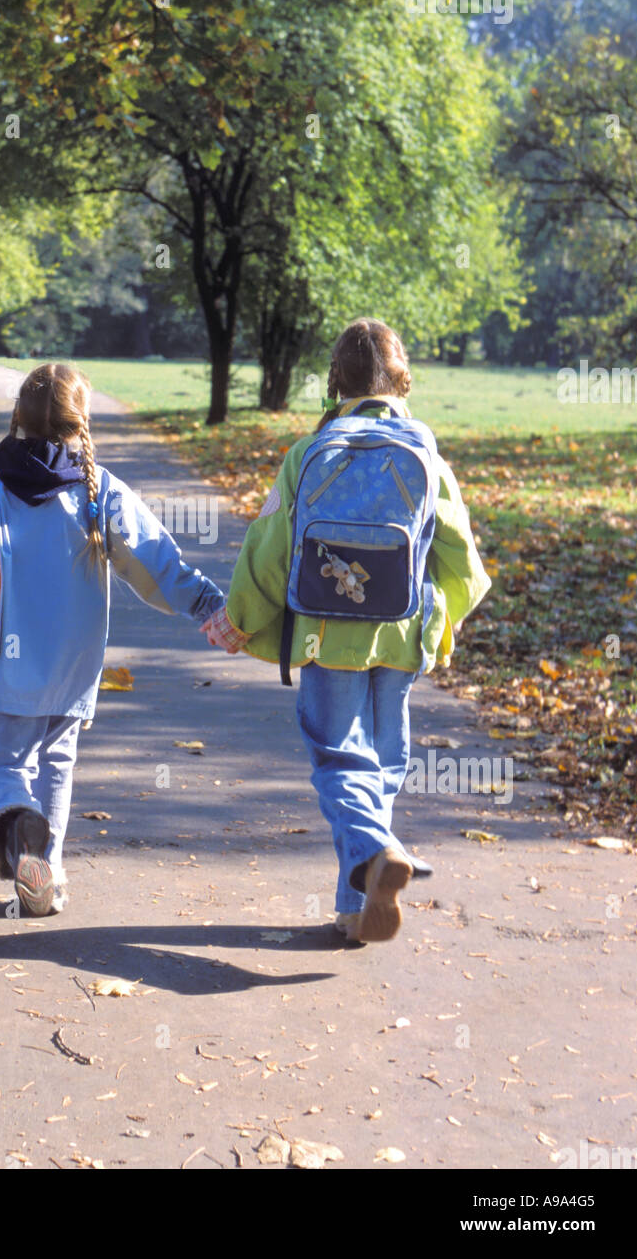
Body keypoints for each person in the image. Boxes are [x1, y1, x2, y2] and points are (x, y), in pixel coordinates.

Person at [202, 318, 490, 943]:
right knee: (381, 763)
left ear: (335, 385)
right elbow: (462, 560)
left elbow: (271, 548)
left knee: (338, 756)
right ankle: (351, 904)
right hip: (399, 632)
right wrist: (441, 629)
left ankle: (375, 853)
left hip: (325, 636)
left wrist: (240, 618)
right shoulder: (424, 450)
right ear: (402, 379)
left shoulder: (310, 453)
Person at [0, 363, 224, 916]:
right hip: (73, 664)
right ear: (80, 423)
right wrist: (208, 605)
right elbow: (154, 561)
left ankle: (19, 826)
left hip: (3, 660)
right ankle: (49, 872)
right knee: (57, 762)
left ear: (16, 414)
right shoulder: (100, 489)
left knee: (6, 768)